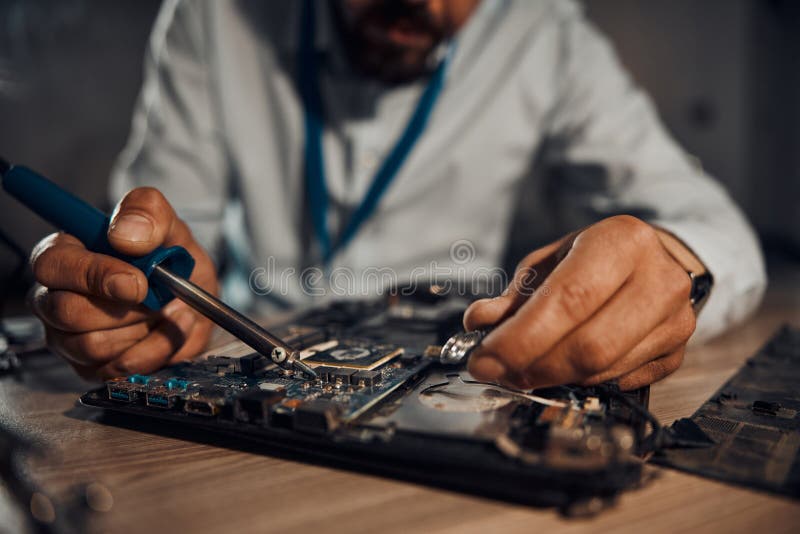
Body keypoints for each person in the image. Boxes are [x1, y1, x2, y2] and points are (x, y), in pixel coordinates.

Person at [28, 0, 765, 391]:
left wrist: (672, 265)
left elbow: (713, 228)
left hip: (451, 366)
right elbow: (156, 238)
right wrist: (137, 302)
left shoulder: (545, 34)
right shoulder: (211, 15)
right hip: (248, 354)